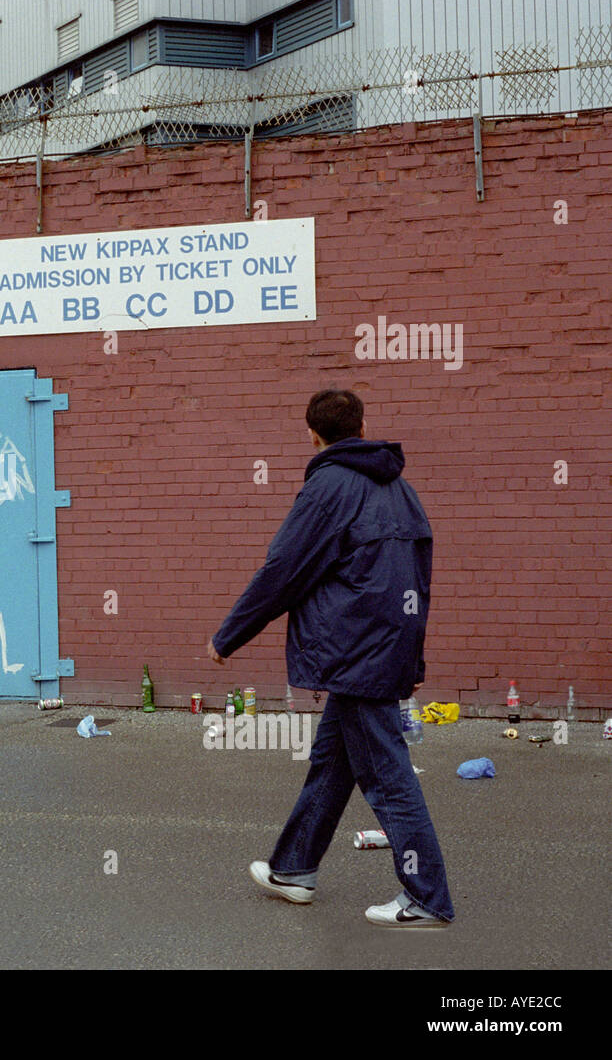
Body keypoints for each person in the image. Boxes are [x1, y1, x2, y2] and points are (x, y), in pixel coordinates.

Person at [206, 389, 453, 927]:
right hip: (383, 648)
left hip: (356, 653)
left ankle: (427, 896)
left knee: (389, 779)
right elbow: (419, 579)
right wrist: (409, 653)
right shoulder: (401, 488)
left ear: (312, 435)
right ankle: (294, 869)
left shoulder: (328, 487)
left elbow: (284, 570)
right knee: (332, 766)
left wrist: (228, 635)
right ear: (364, 425)